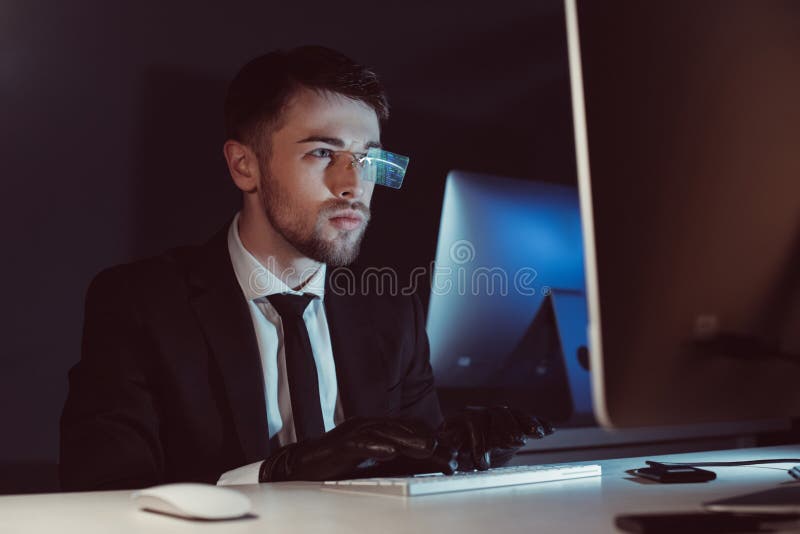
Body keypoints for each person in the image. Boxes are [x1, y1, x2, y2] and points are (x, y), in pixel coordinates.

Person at [59, 46, 553, 491]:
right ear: (243, 166)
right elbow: (105, 495)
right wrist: (276, 473)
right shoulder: (139, 304)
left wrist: (462, 459)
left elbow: (410, 490)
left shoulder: (393, 316)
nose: (352, 184)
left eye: (368, 158)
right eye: (322, 152)